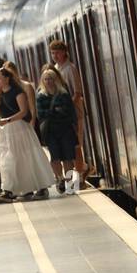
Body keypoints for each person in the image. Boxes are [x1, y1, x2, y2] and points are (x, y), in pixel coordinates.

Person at [0, 66, 54, 201]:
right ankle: (11, 189)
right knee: (7, 159)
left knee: (26, 157)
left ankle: (38, 188)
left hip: (19, 128)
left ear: (7, 79)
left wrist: (7, 120)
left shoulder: (18, 92)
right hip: (6, 132)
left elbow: (23, 111)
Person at [48, 40, 87, 188]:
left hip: (73, 113)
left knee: (76, 145)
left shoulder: (70, 69)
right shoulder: (56, 69)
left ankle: (80, 177)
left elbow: (77, 93)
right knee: (69, 146)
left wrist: (66, 107)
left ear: (64, 52)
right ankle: (75, 176)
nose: (55, 56)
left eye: (57, 52)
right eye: (52, 53)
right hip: (62, 116)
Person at [36, 67, 79, 195]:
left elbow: (69, 111)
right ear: (43, 81)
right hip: (50, 131)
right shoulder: (41, 96)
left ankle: (71, 184)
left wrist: (55, 112)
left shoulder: (63, 94)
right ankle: (60, 179)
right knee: (55, 157)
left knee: (68, 157)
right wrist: (55, 111)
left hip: (65, 129)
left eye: (50, 79)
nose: (48, 81)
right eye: (46, 79)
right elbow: (41, 114)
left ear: (55, 80)